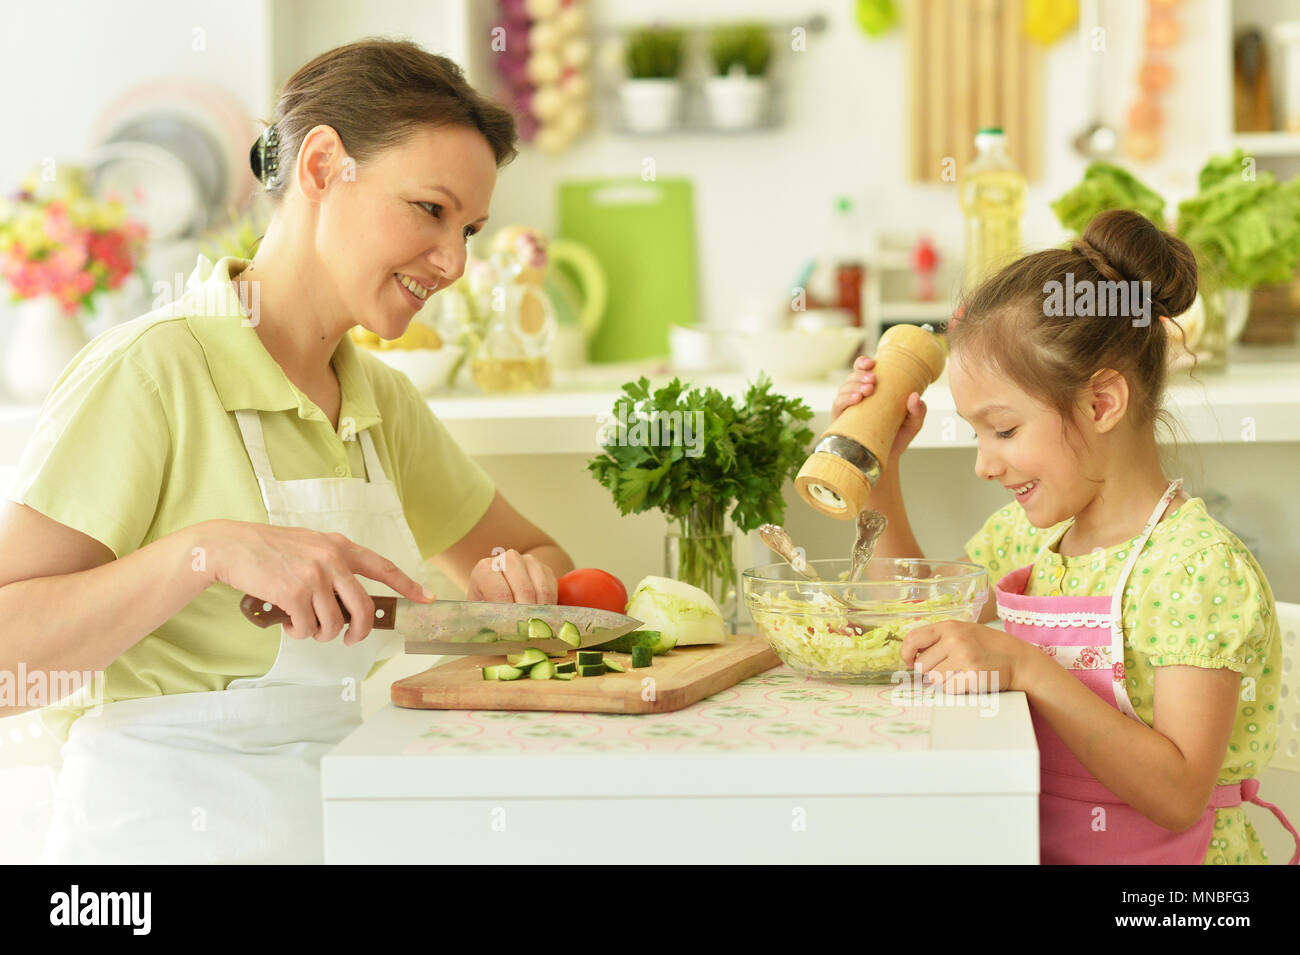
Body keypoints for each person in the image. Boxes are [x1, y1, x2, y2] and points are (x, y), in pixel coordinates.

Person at [0, 38, 574, 864]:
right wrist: (205, 552)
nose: (454, 262)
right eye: (430, 210)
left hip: (339, 822)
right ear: (320, 166)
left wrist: (514, 589)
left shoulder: (382, 401)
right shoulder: (153, 372)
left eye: (471, 229)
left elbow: (542, 559)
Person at [831, 208, 1298, 865]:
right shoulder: (1027, 538)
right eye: (976, 432)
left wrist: (1028, 665)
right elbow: (916, 624)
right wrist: (875, 468)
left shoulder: (1195, 569)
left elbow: (1178, 792)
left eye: (1004, 428)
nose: (984, 463)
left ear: (1102, 403)